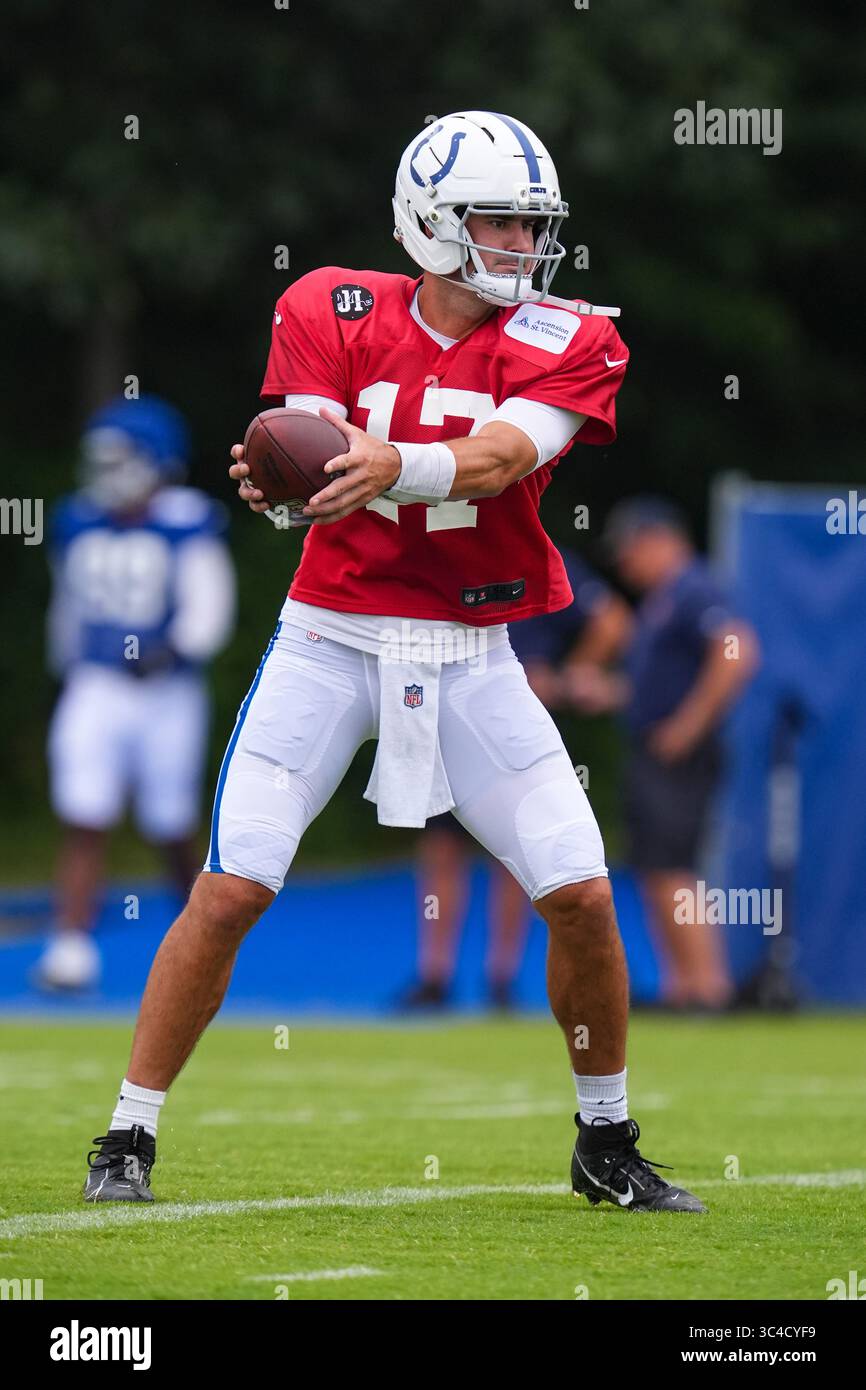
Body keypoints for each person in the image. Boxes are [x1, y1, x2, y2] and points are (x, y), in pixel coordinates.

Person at [83, 111, 706, 1213]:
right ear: (431, 222)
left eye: (530, 221)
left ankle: (603, 1137)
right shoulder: (332, 303)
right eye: (499, 220)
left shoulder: (569, 334)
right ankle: (126, 1136)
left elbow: (506, 453)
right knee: (230, 889)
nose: (523, 241)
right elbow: (310, 450)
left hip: (472, 651)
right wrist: (285, 480)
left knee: (580, 895)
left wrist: (388, 464)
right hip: (330, 636)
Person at [37, 396, 235, 992]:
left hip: (166, 690)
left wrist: (175, 648)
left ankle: (199, 938)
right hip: (96, 683)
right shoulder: (80, 519)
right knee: (83, 812)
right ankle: (70, 944)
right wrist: (68, 663)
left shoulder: (185, 520)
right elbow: (66, 605)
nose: (107, 470)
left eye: (119, 457)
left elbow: (209, 606)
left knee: (170, 822)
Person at [398, 549, 632, 1011]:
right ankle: (437, 974)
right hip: (447, 714)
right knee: (443, 849)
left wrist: (569, 675)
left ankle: (500, 976)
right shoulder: (442, 549)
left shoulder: (531, 548)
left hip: (511, 720)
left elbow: (613, 620)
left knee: (510, 852)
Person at [602, 496, 759, 1010]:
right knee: (654, 864)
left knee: (672, 865)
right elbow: (651, 687)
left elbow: (737, 649)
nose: (625, 565)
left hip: (677, 754)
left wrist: (688, 726)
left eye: (629, 552)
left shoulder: (692, 589)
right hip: (655, 750)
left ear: (659, 539)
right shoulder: (663, 599)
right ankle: (682, 986)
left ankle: (708, 987)